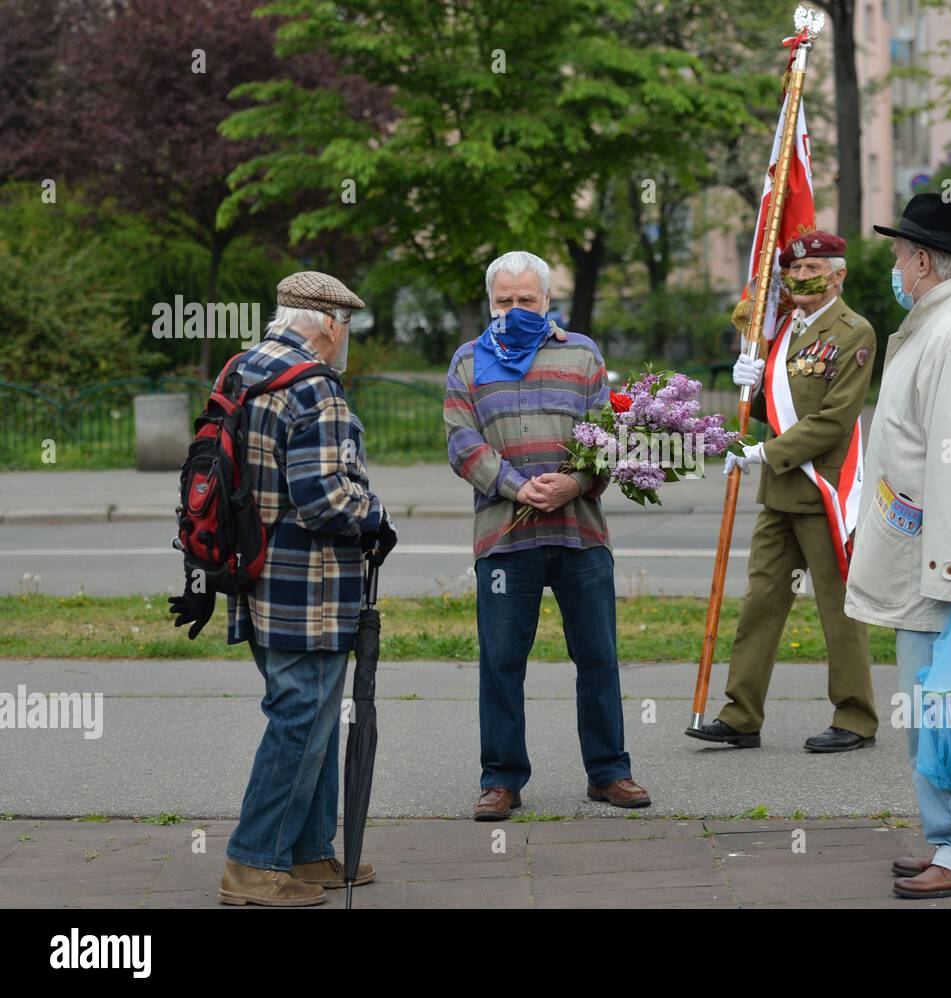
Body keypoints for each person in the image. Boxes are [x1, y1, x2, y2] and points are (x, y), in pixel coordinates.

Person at [182, 271, 398, 907]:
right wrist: (376, 514)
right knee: (301, 717)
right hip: (310, 587)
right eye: (347, 326)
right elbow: (326, 500)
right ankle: (253, 864)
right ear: (329, 323)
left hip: (250, 575)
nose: (346, 338)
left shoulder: (239, 371)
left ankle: (308, 855)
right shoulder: (314, 387)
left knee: (314, 717)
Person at [844, 193, 951, 899]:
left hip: (942, 577)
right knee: (944, 715)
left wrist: (950, 578)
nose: (894, 265)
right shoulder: (947, 324)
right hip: (931, 565)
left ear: (921, 260)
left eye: (897, 254)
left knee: (949, 720)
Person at [444, 250, 651, 820]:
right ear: (490, 303)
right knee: (502, 661)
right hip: (504, 539)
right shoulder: (467, 361)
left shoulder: (582, 355)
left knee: (598, 656)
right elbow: (461, 442)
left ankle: (610, 772)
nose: (514, 311)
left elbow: (608, 438)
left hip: (580, 533)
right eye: (503, 301)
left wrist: (576, 481)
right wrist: (515, 486)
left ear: (546, 299)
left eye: (525, 300)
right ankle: (502, 780)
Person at [685, 231, 879, 753]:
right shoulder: (784, 329)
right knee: (762, 603)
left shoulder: (854, 331)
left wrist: (764, 452)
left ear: (839, 275)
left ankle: (856, 717)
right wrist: (751, 381)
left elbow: (834, 418)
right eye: (792, 271)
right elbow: (780, 409)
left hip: (824, 489)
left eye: (812, 269)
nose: (799, 278)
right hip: (779, 492)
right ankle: (741, 715)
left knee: (838, 607)